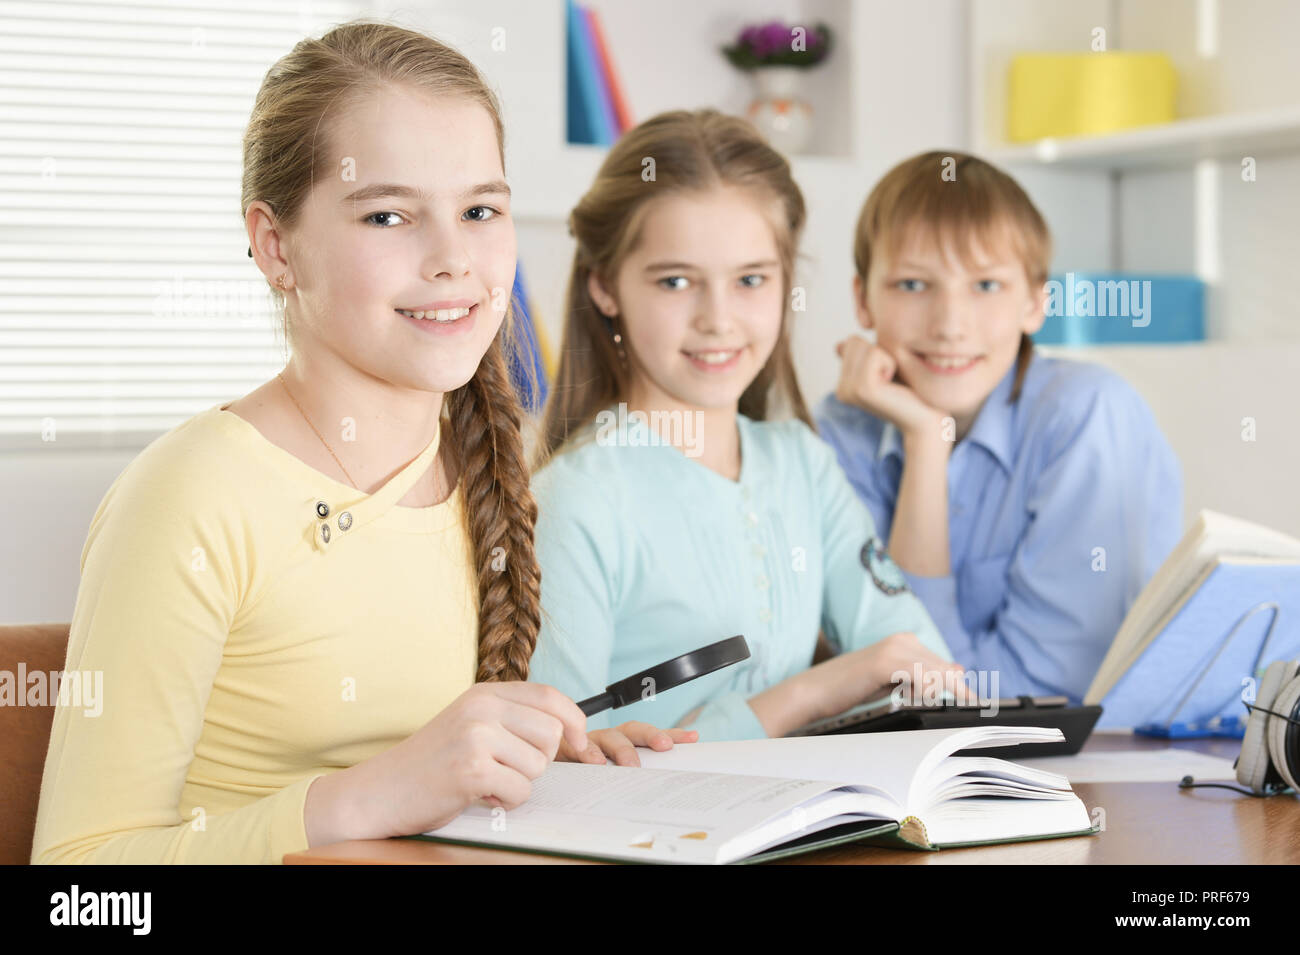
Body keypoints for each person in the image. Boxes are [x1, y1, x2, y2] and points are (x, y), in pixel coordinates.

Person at [31, 20, 686, 865]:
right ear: (276, 247)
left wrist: (541, 766)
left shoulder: (492, 464)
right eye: (387, 215)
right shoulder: (190, 496)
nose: (454, 258)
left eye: (480, 209)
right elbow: (75, 882)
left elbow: (438, 793)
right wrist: (377, 791)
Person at [527, 110, 964, 744]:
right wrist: (812, 693)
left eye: (751, 280)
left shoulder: (800, 463)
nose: (719, 319)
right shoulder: (576, 499)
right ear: (605, 288)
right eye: (676, 281)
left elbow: (915, 657)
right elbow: (560, 764)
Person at [816, 150, 1183, 702]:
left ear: (1037, 303)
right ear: (862, 301)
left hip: (1091, 767)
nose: (949, 326)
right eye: (913, 285)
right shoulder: (841, 430)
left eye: (986, 286)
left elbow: (1034, 695)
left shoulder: (1086, 415)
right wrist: (925, 444)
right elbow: (885, 685)